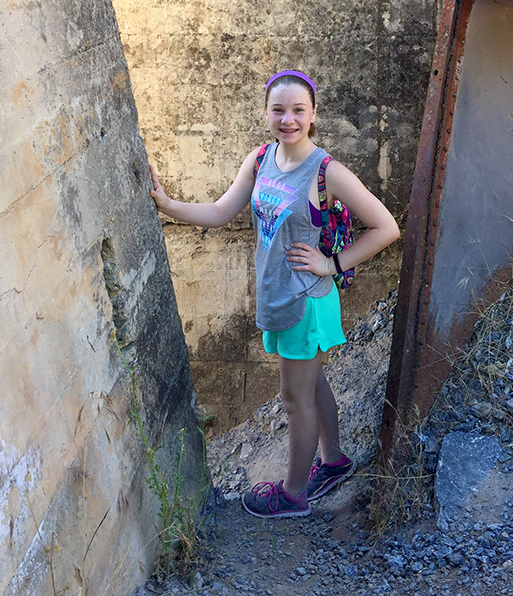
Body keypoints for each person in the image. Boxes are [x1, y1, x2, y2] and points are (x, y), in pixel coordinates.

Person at [149, 69, 400, 518]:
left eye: (298, 110)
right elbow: (222, 211)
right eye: (279, 110)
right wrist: (169, 205)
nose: (288, 119)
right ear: (267, 114)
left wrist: (331, 263)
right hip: (282, 296)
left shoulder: (327, 171)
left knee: (294, 399)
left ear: (313, 115)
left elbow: (386, 227)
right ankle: (334, 460)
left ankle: (294, 494)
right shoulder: (261, 157)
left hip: (305, 300)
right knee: (313, 381)